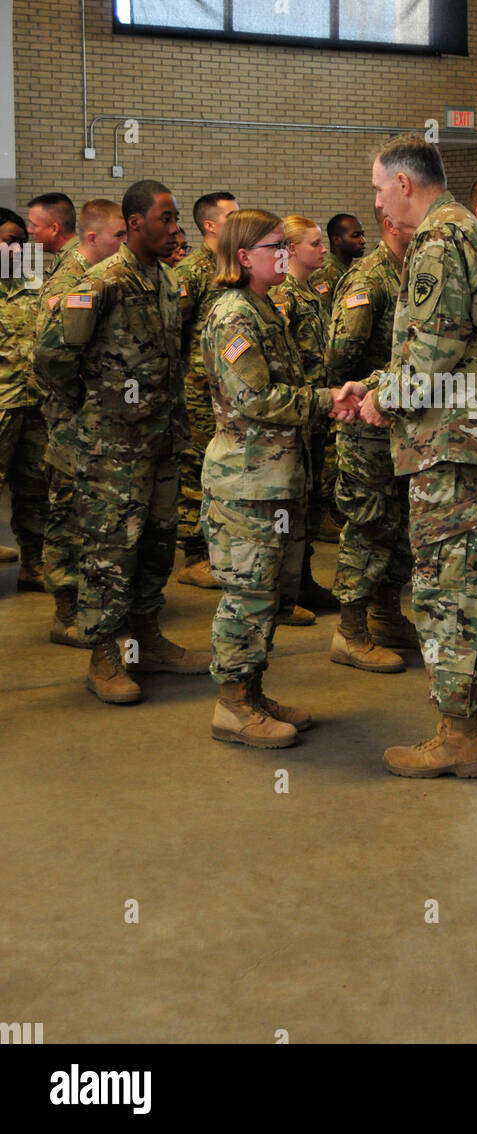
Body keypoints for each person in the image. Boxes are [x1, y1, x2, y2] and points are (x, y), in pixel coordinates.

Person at [339, 134, 477, 779]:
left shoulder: (436, 242)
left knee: (450, 587)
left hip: (455, 444)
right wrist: (376, 384)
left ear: (402, 184)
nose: (375, 201)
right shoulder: (474, 234)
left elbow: (433, 353)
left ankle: (457, 735)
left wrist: (382, 401)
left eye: (376, 187)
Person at [35, 179, 209, 705]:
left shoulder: (164, 279)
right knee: (111, 552)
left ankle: (145, 642)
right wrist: (89, 416)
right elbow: (50, 357)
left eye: (176, 219)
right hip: (111, 449)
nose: (174, 229)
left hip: (158, 440)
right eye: (165, 219)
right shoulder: (102, 281)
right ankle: (105, 657)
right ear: (135, 223)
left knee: (156, 546)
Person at [200, 209, 359, 749]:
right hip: (247, 483)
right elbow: (253, 398)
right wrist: (327, 401)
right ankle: (233, 706)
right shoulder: (233, 316)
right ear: (244, 256)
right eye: (276, 246)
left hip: (278, 477)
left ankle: (253, 692)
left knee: (271, 591)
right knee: (247, 594)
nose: (286, 254)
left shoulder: (264, 307)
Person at [325, 204, 416, 674]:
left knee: (399, 524)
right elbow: (340, 357)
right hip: (366, 426)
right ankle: (350, 630)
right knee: (368, 524)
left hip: (401, 422)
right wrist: (371, 394)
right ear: (391, 226)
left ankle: (386, 613)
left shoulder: (415, 273)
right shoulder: (369, 279)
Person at [36, 199, 127, 644]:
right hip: (72, 421)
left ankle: (95, 605)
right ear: (93, 238)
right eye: (119, 238)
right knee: (69, 511)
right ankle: (66, 610)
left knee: (93, 513)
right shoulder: (73, 281)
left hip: (94, 421)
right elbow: (51, 354)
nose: (125, 246)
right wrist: (78, 398)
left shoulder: (105, 278)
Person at [271, 214, 338, 617]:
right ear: (292, 249)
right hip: (294, 415)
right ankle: (283, 594)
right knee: (288, 508)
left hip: (315, 413)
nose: (323, 249)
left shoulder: (310, 291)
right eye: (315, 243)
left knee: (311, 503)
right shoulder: (283, 297)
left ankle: (303, 582)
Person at [174, 191, 239, 588]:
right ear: (211, 225)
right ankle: (194, 555)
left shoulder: (232, 266)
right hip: (196, 391)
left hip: (226, 390)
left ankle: (218, 546)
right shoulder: (192, 270)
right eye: (231, 214)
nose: (239, 217)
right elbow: (174, 331)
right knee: (193, 469)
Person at [310, 213, 366, 540]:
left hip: (343, 380)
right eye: (354, 235)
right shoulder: (327, 276)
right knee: (329, 451)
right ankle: (324, 513)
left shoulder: (349, 272)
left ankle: (329, 510)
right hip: (330, 374)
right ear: (337, 240)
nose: (361, 240)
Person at [0, 206, 49, 582]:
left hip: (34, 404)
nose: (15, 250)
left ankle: (35, 564)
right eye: (7, 242)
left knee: (35, 486)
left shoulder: (34, 283)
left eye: (20, 242)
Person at [309, 213, 367, 312]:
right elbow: (325, 318)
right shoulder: (326, 274)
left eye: (363, 235)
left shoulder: (348, 270)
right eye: (356, 236)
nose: (363, 241)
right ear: (336, 240)